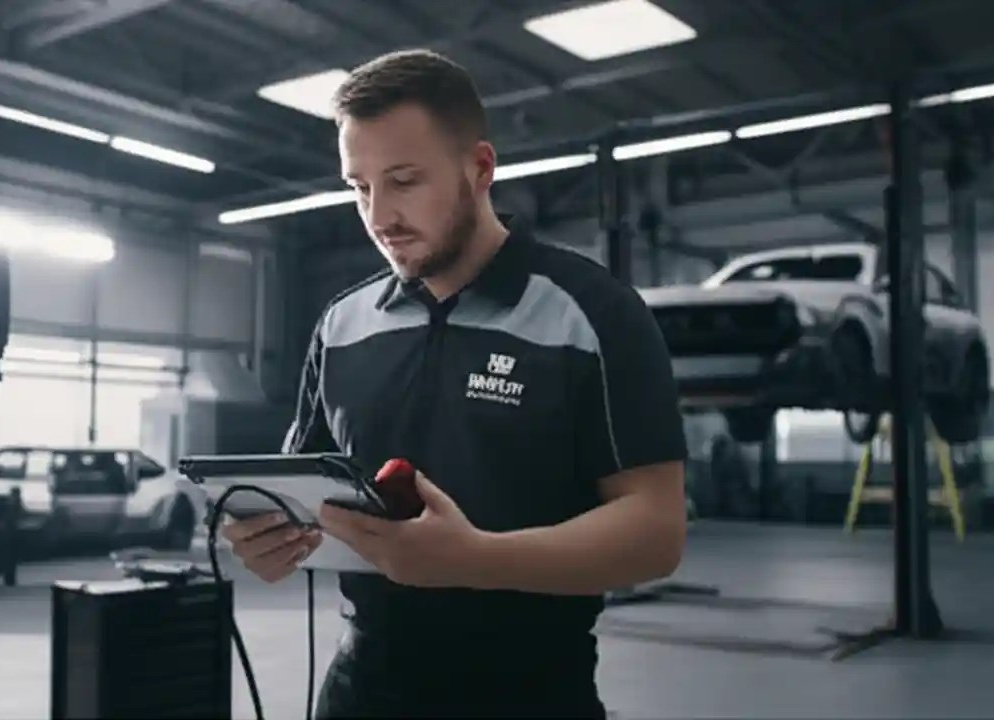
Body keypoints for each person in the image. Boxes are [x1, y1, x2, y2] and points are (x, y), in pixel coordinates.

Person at [222, 49, 688, 718]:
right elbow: (309, 500)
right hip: (361, 690)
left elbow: (656, 531)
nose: (379, 215)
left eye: (405, 180)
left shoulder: (593, 314)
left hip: (529, 694)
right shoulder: (341, 326)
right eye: (360, 186)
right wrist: (270, 543)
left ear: (480, 168)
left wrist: (474, 560)